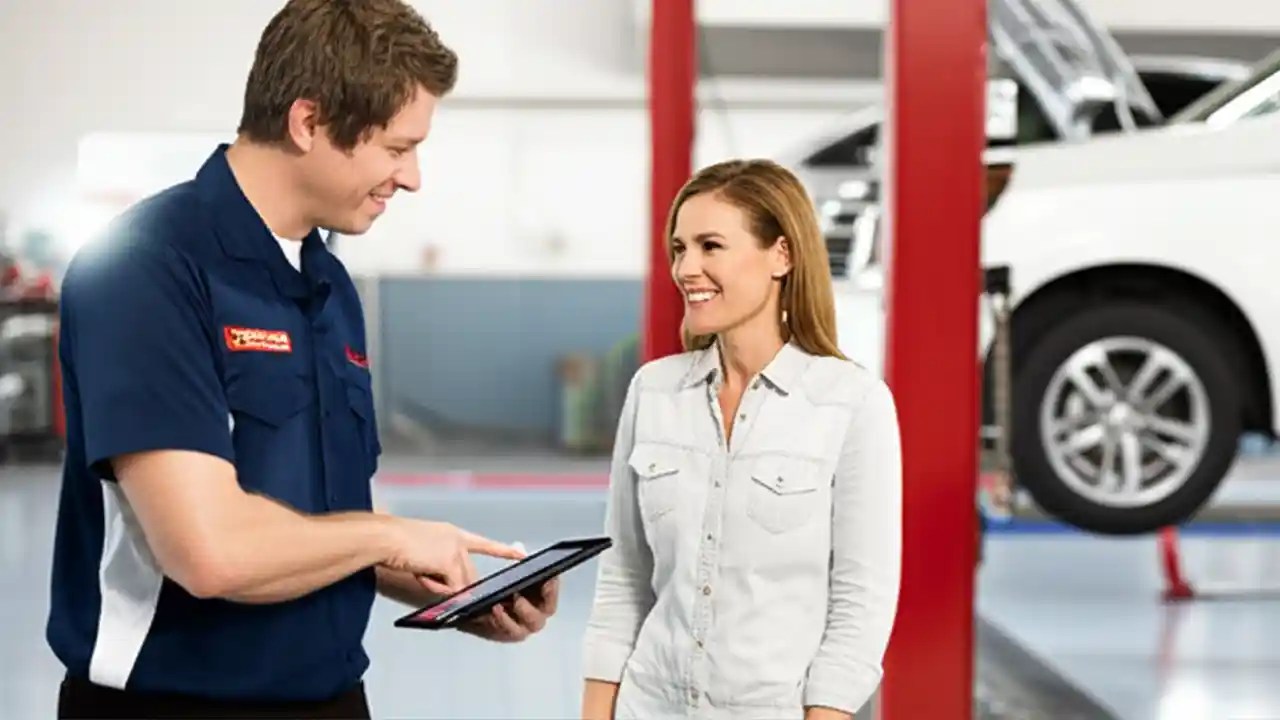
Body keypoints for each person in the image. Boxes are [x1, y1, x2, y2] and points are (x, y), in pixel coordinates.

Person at [46, 1, 558, 718]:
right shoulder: (146, 267)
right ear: (308, 121)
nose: (412, 178)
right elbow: (209, 552)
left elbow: (319, 523)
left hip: (331, 699)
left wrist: (444, 589)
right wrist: (391, 534)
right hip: (175, 703)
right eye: (395, 147)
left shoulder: (327, 282)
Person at [580, 159, 902, 720]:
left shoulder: (851, 403)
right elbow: (624, 579)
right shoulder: (654, 391)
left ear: (782, 255)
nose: (687, 268)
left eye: (710, 246)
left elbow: (860, 608)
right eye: (679, 249)